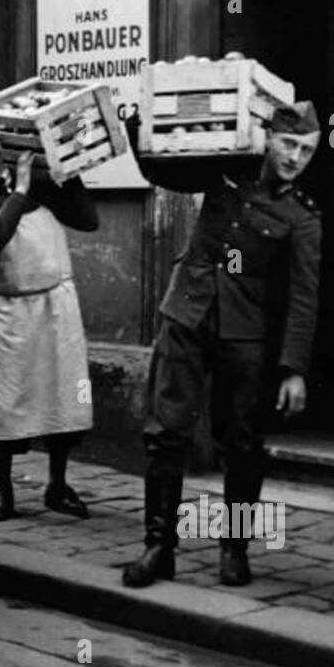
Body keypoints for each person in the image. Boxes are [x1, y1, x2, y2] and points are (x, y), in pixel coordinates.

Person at [123, 102, 322, 588]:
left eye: (306, 150)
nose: (295, 157)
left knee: (243, 442)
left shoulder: (302, 217)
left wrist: (293, 367)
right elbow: (161, 170)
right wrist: (134, 126)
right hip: (186, 315)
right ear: (267, 137)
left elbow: (303, 296)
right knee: (166, 432)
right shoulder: (224, 169)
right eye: (288, 144)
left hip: (246, 335)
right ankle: (158, 547)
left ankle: (234, 550)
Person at [0, 124, 99, 520]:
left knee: (66, 396)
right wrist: (18, 192)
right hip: (13, 312)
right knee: (5, 401)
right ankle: (3, 491)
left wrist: (68, 176)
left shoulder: (41, 185)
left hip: (58, 305)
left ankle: (58, 485)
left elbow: (89, 222)